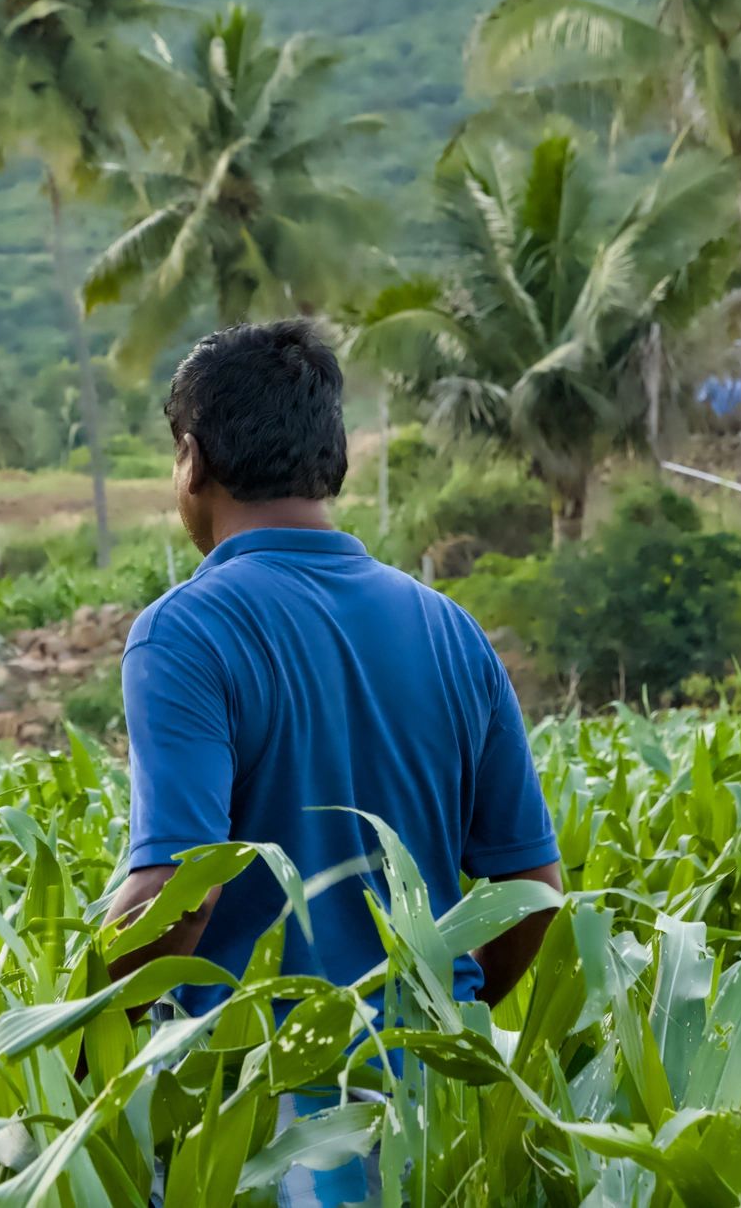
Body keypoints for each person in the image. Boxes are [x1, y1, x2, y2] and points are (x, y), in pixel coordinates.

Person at [101, 321, 563, 1204]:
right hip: (433, 1116)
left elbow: (178, 896)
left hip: (255, 1120)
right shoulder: (449, 629)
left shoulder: (186, 629)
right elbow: (530, 888)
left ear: (191, 460)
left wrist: (79, 1034)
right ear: (329, 458)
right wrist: (437, 1010)